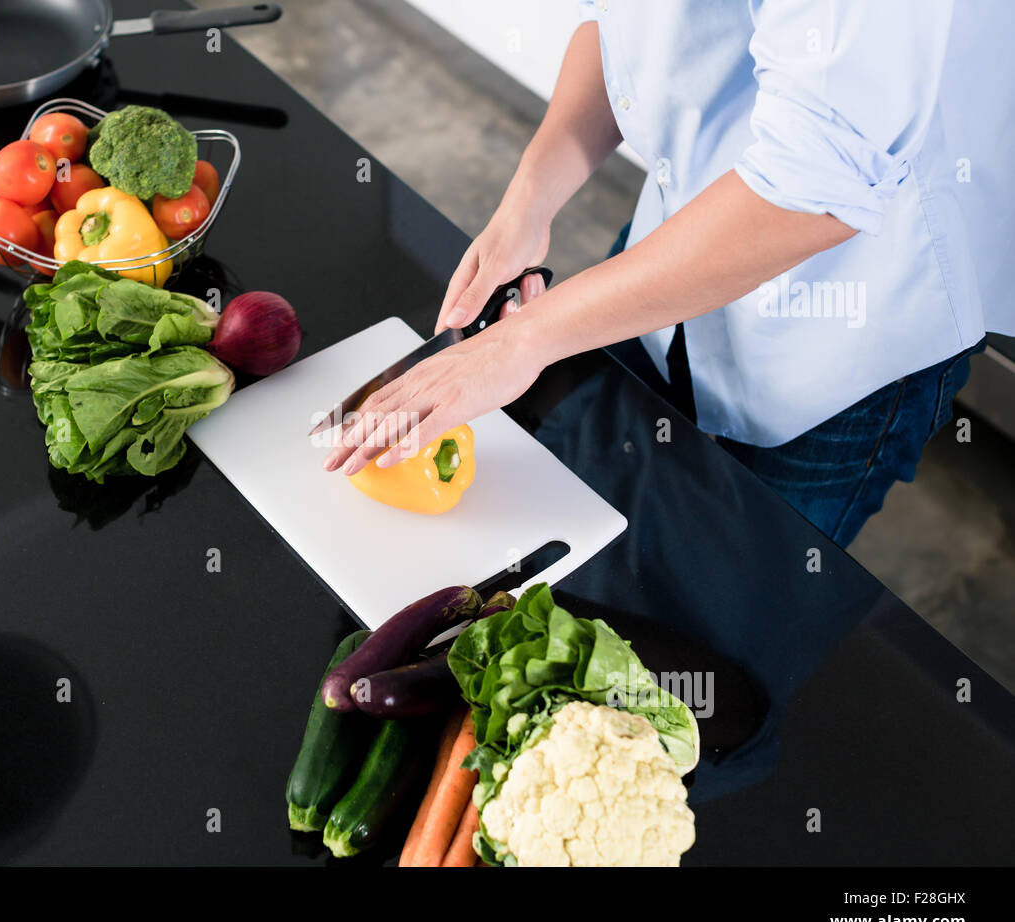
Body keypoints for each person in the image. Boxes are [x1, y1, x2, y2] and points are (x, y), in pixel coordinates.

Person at [321, 1, 1012, 547]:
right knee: (576, 539)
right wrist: (527, 203)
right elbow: (621, 24)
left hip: (852, 321)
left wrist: (522, 342)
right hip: (670, 244)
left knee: (723, 642)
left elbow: (817, 189)